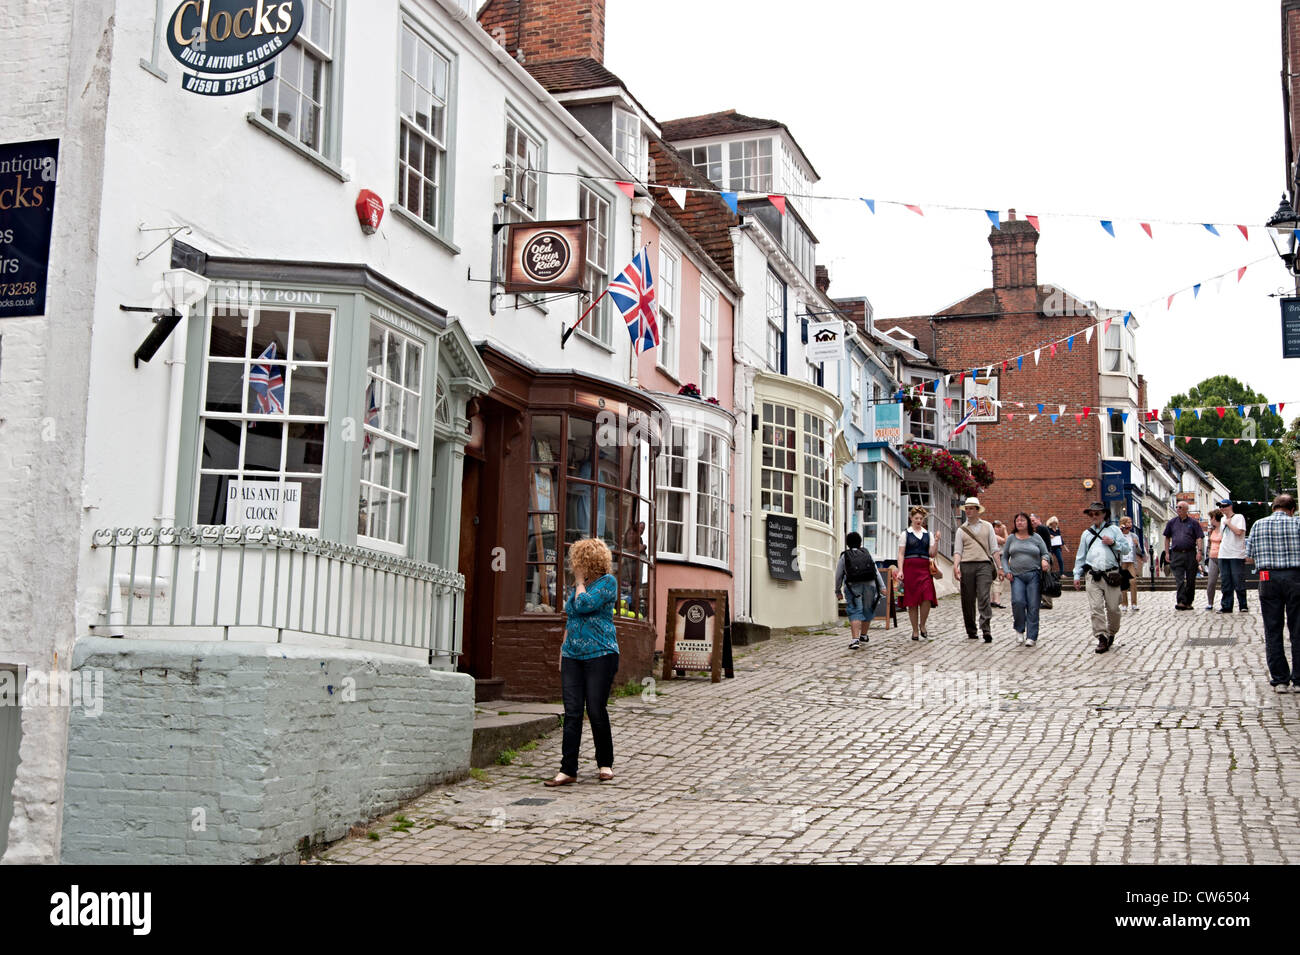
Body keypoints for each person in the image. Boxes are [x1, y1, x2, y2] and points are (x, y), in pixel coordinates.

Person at [547, 539, 620, 786]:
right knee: (572, 712)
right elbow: (571, 619)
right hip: (572, 656)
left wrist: (579, 583)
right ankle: (568, 769)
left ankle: (605, 763)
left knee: (596, 710)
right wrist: (562, 651)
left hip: (601, 654)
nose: (574, 565)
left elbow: (584, 605)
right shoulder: (580, 586)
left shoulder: (607, 583)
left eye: (578, 561)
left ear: (589, 561)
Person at [1245, 494, 1300, 692]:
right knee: (1297, 629)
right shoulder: (1297, 524)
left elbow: (1248, 556)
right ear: (1292, 510)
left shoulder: (1258, 525)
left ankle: (1280, 680)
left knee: (1273, 629)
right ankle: (1299, 679)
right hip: (1295, 577)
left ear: (1273, 508)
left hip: (1268, 577)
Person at [1073, 502, 1131, 653]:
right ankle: (1101, 637)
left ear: (1104, 514)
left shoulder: (1114, 530)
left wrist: (1113, 543)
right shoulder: (1086, 534)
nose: (1094, 516)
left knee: (1113, 608)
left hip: (1111, 574)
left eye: (1097, 513)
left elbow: (1126, 549)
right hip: (1093, 575)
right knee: (1096, 608)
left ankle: (1111, 632)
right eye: (1091, 514)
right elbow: (1081, 557)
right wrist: (1076, 575)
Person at [953, 496, 1003, 642]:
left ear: (977, 510)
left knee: (984, 596)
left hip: (984, 565)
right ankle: (971, 630)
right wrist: (956, 566)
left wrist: (1000, 567)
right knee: (967, 599)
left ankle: (986, 628)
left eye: (971, 508)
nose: (968, 511)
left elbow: (994, 549)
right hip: (967, 564)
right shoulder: (961, 530)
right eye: (966, 509)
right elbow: (958, 551)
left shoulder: (987, 527)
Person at [1001, 512, 1052, 647]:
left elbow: (1045, 553)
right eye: (1017, 520)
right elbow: (1005, 557)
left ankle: (1032, 636)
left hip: (1033, 575)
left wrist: (1044, 560)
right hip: (1016, 576)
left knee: (1033, 605)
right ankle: (1019, 629)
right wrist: (1006, 571)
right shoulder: (1011, 538)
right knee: (1018, 602)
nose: (1019, 523)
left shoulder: (1036, 538)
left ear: (1028, 523)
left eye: (1022, 520)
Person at [895, 505, 939, 641]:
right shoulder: (905, 534)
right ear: (911, 518)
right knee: (912, 601)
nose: (918, 520)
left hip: (924, 568)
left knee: (927, 597)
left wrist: (936, 541)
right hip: (910, 569)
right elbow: (901, 553)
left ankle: (923, 624)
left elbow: (932, 553)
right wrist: (901, 570)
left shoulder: (928, 534)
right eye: (916, 518)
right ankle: (914, 630)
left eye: (921, 518)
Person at [836, 531, 885, 650]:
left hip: (853, 586)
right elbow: (876, 571)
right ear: (860, 543)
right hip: (870, 584)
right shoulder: (866, 553)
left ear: (847, 544)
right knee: (868, 609)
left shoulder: (844, 556)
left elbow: (839, 574)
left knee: (855, 610)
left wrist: (837, 590)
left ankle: (855, 640)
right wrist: (882, 587)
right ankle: (863, 635)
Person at [1163, 500, 1205, 610]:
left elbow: (1199, 538)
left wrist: (1199, 551)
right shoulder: (1172, 522)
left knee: (1191, 579)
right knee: (1179, 579)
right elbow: (1167, 538)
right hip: (1176, 554)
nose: (1178, 509)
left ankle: (1189, 601)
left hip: (1190, 553)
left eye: (1181, 507)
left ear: (1186, 509)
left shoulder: (1194, 523)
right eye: (1177, 507)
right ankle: (1181, 601)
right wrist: (1167, 552)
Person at [1215, 498, 1249, 614]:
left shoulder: (1238, 517)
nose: (1221, 508)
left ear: (1230, 506)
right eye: (1220, 507)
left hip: (1236, 554)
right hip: (1223, 554)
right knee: (1226, 582)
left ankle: (1243, 605)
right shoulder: (1223, 519)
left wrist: (1229, 523)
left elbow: (1239, 532)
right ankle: (1226, 606)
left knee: (1238, 581)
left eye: (1223, 506)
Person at [1031, 514, 1056, 609]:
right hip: (1045, 555)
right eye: (1031, 521)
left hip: (1044, 556)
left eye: (1033, 520)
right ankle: (1045, 601)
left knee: (1045, 579)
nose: (1032, 523)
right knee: (1043, 578)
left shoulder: (1040, 528)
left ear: (1038, 519)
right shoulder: (1042, 528)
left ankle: (1047, 602)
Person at [1117, 515, 1142, 612]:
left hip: (1131, 562)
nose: (1130, 524)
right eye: (1128, 522)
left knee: (1133, 582)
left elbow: (1139, 550)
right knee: (1123, 583)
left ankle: (1134, 603)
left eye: (1131, 522)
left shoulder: (1134, 536)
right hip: (1122, 562)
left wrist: (1136, 545)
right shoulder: (1119, 536)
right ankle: (1124, 604)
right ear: (1123, 524)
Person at [1204, 509, 1223, 612]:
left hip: (1222, 556)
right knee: (1211, 581)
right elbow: (1209, 543)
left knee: (1224, 581)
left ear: (1215, 518)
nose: (1210, 520)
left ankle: (1225, 602)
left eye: (1211, 518)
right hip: (1212, 556)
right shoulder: (1211, 530)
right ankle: (1210, 603)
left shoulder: (1223, 529)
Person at [990, 519, 1008, 608]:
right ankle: (996, 601)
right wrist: (1005, 530)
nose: (999, 529)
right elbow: (1007, 541)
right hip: (996, 559)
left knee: (995, 580)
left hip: (997, 558)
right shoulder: (993, 536)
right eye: (997, 527)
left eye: (999, 527)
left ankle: (993, 600)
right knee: (997, 580)